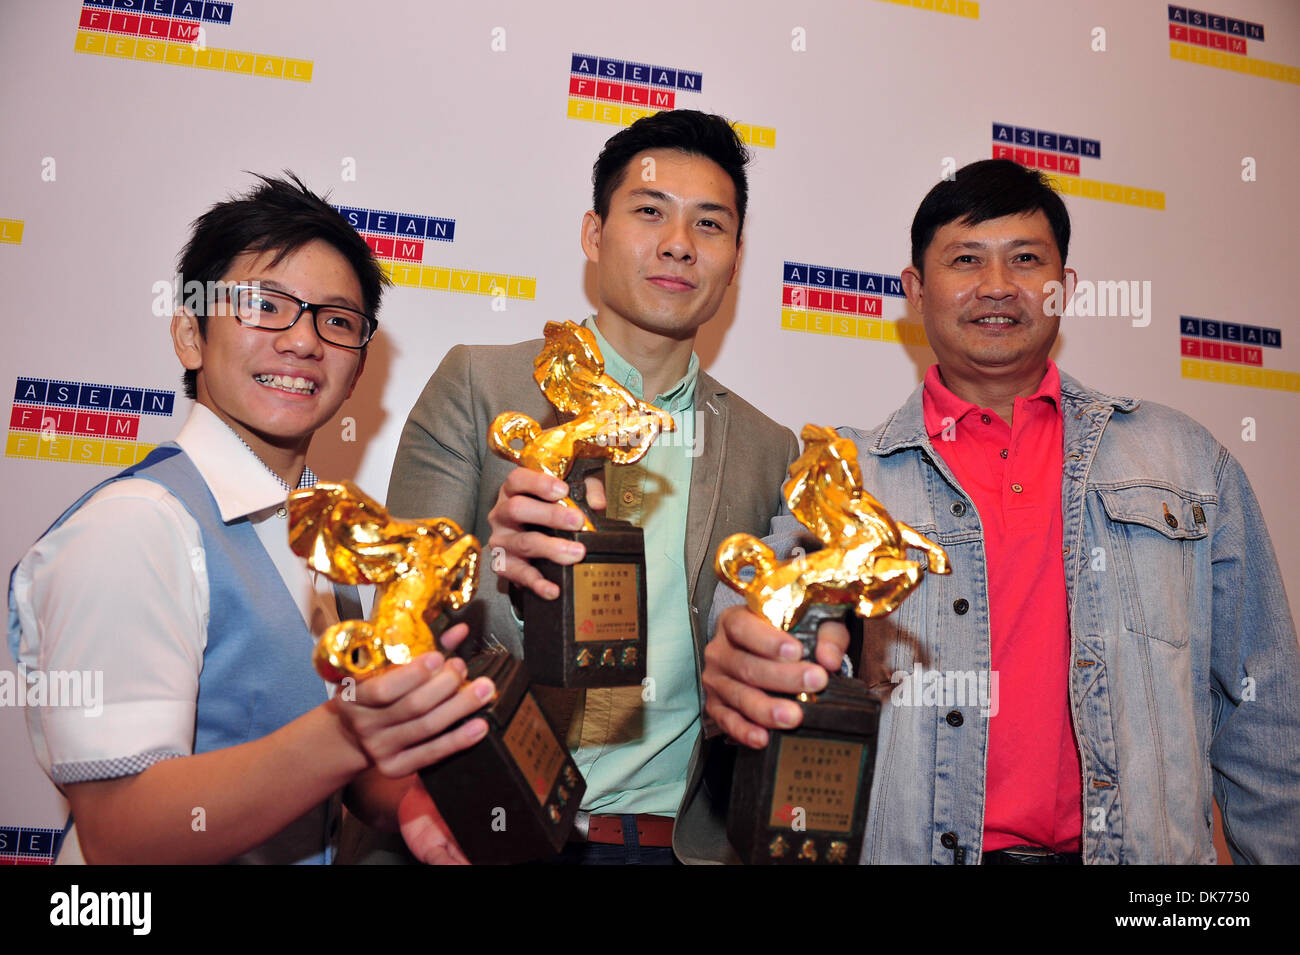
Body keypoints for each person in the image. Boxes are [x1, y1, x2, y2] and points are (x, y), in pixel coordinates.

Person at [705, 158, 1300, 864]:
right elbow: (760, 613)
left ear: (1064, 289)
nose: (997, 286)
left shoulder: (1184, 462)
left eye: (1025, 259)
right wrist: (749, 645)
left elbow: (1266, 719)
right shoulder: (848, 474)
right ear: (916, 292)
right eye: (965, 260)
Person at [8, 174, 493, 865]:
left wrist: (412, 791)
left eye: (336, 320)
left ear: (358, 369)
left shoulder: (333, 535)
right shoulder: (135, 528)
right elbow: (121, 831)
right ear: (189, 336)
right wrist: (353, 732)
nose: (303, 341)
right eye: (264, 306)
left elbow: (346, 780)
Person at [376, 110, 798, 864]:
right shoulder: (480, 383)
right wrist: (501, 570)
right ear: (592, 235)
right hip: (496, 826)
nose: (678, 243)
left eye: (710, 223)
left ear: (735, 260)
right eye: (649, 211)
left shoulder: (769, 447)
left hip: (678, 845)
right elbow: (401, 620)